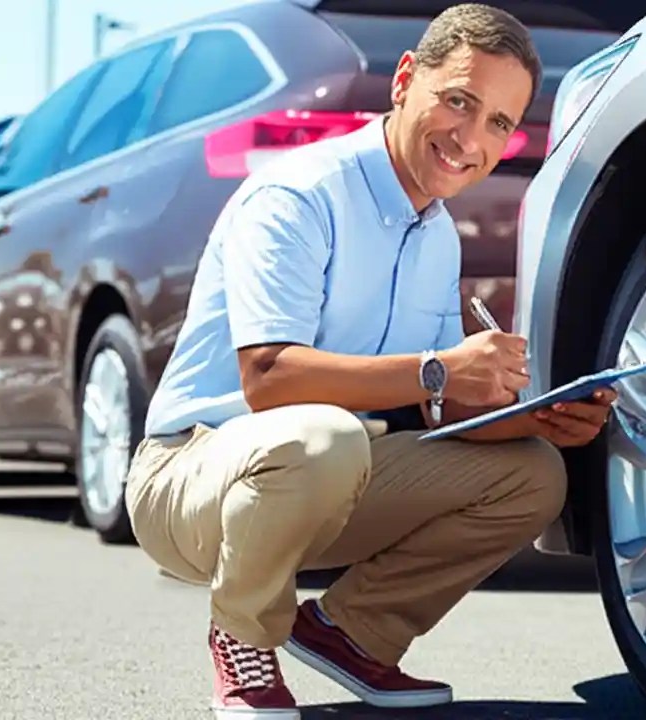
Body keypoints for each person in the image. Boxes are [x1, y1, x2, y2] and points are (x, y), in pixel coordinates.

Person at [125, 4, 616, 718]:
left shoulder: (438, 234)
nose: (471, 140)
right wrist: (440, 368)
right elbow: (268, 380)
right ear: (406, 81)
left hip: (321, 477)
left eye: (499, 125)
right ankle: (242, 640)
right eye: (458, 102)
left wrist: (535, 420)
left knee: (533, 476)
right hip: (189, 479)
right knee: (322, 435)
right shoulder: (299, 194)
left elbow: (433, 406)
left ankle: (350, 634)